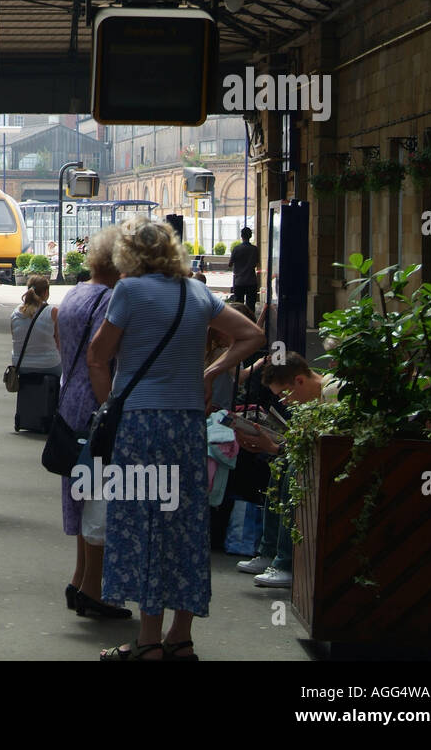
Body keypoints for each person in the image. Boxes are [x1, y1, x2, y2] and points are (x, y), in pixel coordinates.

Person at [88, 216, 264, 660]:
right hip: (187, 426)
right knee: (185, 524)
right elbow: (252, 334)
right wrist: (210, 372)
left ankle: (147, 643)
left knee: (143, 522)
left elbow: (97, 356)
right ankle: (180, 639)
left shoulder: (128, 292)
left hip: (141, 425)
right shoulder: (198, 292)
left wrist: (111, 406)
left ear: (128, 253)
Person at [52, 226, 128, 620]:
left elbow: (62, 343)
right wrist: (109, 408)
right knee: (100, 500)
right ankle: (94, 590)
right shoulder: (110, 299)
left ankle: (80, 578)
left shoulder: (76, 292)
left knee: (80, 494)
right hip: (95, 402)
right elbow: (102, 358)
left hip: (69, 400)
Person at [234, 353, 341, 590]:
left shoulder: (332, 392)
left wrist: (275, 447)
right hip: (320, 462)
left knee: (290, 467)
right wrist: (274, 446)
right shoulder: (313, 399)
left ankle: (285, 562)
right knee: (282, 464)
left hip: (331, 466)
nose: (284, 401)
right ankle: (271, 553)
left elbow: (326, 445)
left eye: (284, 393)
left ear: (300, 381)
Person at [10, 275, 62, 434]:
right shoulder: (52, 312)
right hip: (48, 365)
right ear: (46, 292)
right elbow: (59, 343)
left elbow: (14, 338)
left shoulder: (15, 312)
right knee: (66, 376)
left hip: (21, 366)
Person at [228, 228, 260, 313]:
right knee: (251, 306)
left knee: (238, 307)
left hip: (239, 281)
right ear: (250, 236)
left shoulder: (236, 249)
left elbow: (230, 264)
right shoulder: (255, 249)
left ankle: (239, 323)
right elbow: (257, 263)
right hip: (251, 281)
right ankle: (251, 323)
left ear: (241, 236)